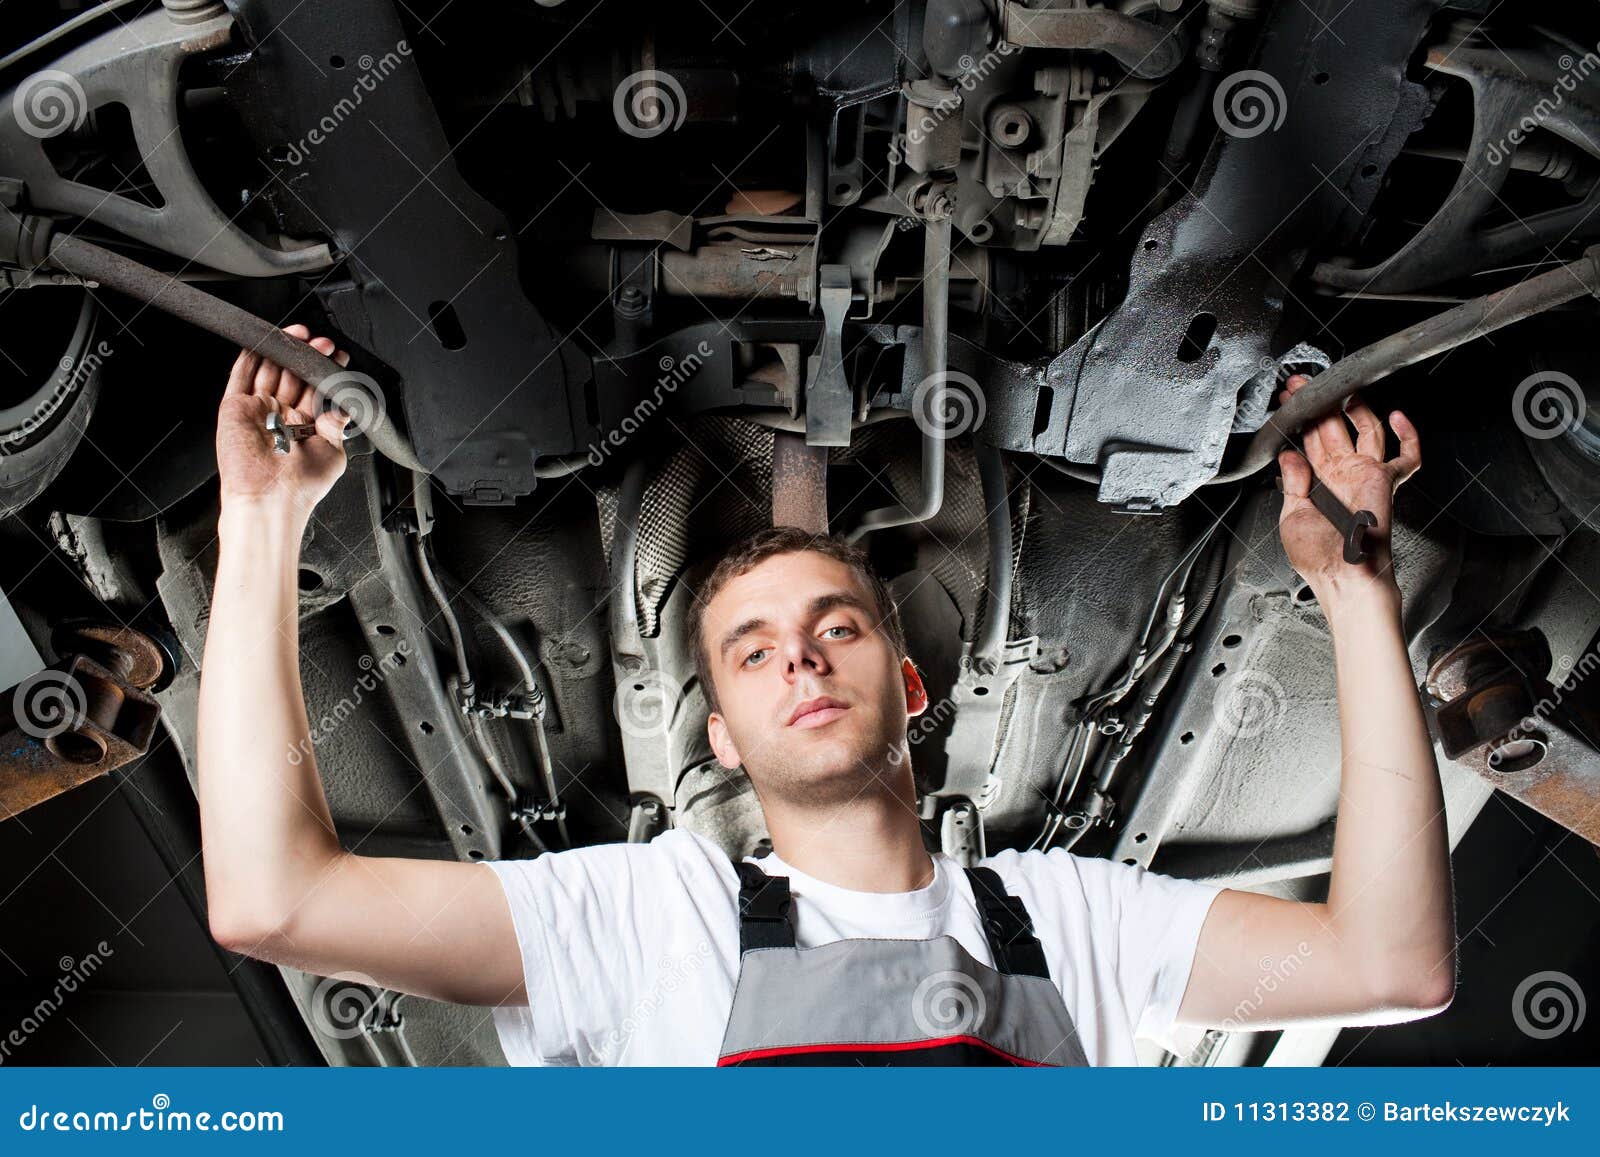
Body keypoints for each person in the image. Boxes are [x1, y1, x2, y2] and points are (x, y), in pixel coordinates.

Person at [199, 327, 1455, 1066]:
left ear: (909, 686)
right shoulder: (645, 916)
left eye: (833, 626)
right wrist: (262, 522)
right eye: (749, 651)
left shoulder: (1075, 922)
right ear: (723, 741)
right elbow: (274, 899)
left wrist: (1352, 590)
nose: (796, 656)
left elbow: (1388, 962)